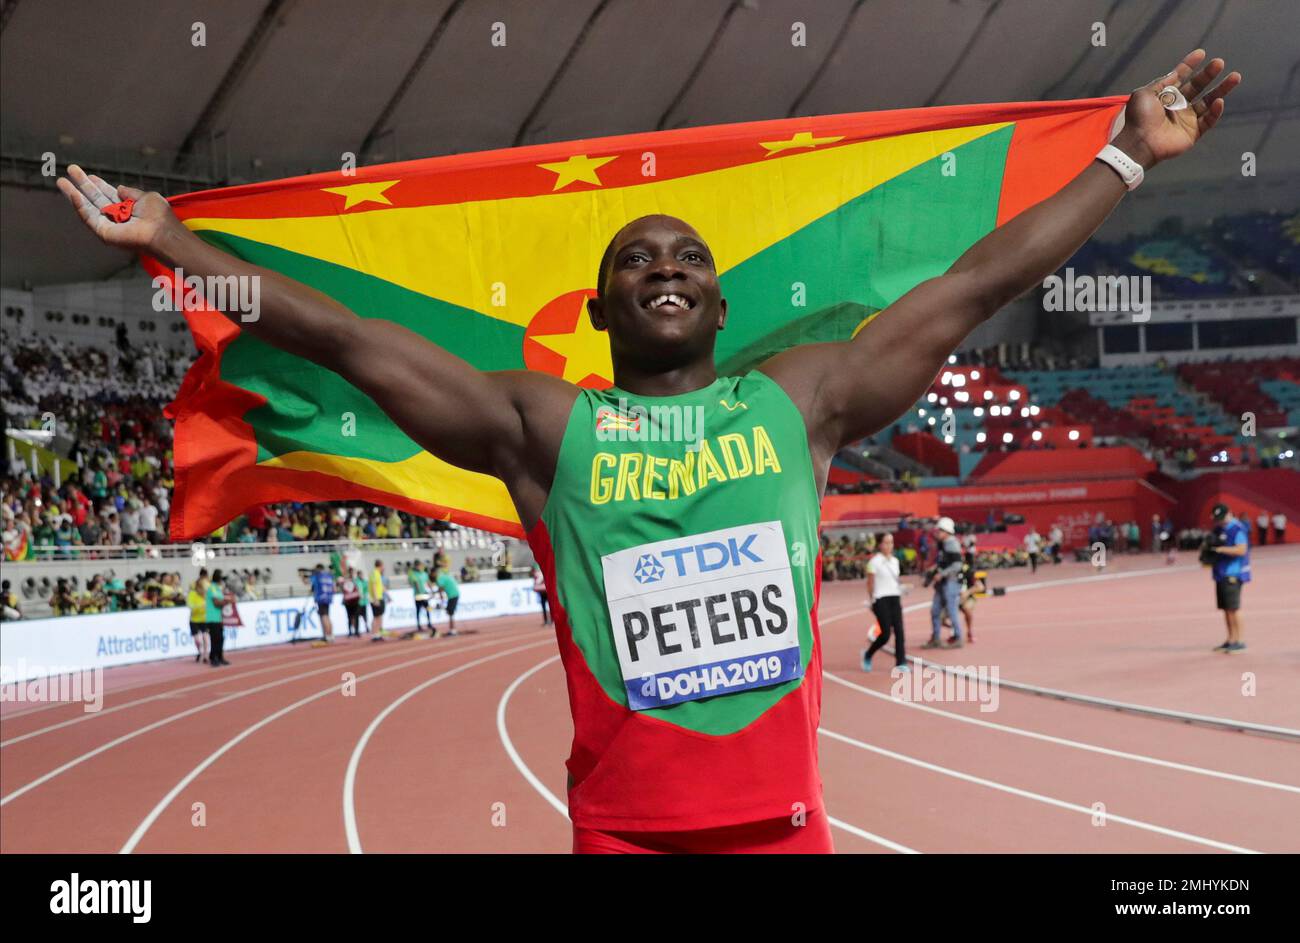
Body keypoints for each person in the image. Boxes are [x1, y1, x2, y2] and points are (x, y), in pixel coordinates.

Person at [58, 49, 1239, 852]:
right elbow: (350, 340)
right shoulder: (545, 428)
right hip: (622, 834)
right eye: (638, 258)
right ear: (600, 308)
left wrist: (1126, 157)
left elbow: (981, 279)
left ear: (721, 309)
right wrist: (171, 242)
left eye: (689, 259)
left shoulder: (802, 397)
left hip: (782, 824)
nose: (666, 267)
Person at [1206, 504, 1250, 654]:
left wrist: (1220, 549)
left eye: (1222, 518)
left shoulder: (1238, 529)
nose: (1220, 521)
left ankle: (1240, 641)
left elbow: (1241, 549)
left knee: (1234, 608)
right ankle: (1230, 639)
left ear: (1230, 513)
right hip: (1221, 573)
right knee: (1225, 609)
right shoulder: (1218, 529)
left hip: (1233, 573)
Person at [862, 532, 907, 673]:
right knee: (886, 633)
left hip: (895, 597)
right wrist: (872, 600)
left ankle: (901, 662)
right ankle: (868, 654)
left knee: (899, 631)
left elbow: (894, 580)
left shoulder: (895, 561)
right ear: (880, 544)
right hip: (880, 599)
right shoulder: (874, 562)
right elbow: (870, 583)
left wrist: (902, 588)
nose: (889, 546)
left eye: (891, 542)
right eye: (886, 542)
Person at [926, 518, 966, 649]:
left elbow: (957, 565)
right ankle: (936, 638)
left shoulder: (952, 544)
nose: (938, 533)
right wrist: (935, 568)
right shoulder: (943, 544)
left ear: (947, 531)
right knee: (935, 610)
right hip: (943, 582)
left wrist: (942, 573)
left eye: (940, 530)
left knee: (951, 609)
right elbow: (945, 562)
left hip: (951, 581)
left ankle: (958, 637)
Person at [206, 568, 229, 666]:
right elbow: (216, 602)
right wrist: (227, 602)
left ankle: (219, 656)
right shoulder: (212, 588)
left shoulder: (218, 588)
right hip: (212, 617)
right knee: (215, 638)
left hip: (218, 617)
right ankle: (214, 657)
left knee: (220, 638)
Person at [187, 571, 211, 663]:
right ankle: (199, 652)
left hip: (204, 620)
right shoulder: (192, 594)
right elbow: (190, 605)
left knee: (206, 638)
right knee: (198, 641)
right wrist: (199, 606)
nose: (203, 590)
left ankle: (205, 655)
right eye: (201, 588)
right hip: (194, 620)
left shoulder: (206, 595)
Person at [309, 563, 335, 643]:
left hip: (321, 598)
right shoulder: (328, 575)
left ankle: (326, 635)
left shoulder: (317, 576)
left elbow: (309, 583)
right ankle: (330, 635)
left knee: (324, 617)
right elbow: (333, 588)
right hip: (328, 598)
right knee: (327, 616)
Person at [434, 567, 461, 636]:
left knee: (450, 612)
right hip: (454, 594)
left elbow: (441, 588)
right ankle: (452, 629)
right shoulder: (444, 576)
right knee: (449, 612)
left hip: (452, 595)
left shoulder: (439, 578)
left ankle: (453, 630)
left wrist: (440, 596)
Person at [409, 560, 433, 632]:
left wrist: (431, 591)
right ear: (416, 566)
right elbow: (416, 584)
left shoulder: (424, 574)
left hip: (424, 593)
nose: (420, 567)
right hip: (418, 594)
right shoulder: (413, 574)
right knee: (418, 610)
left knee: (428, 608)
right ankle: (419, 625)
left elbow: (428, 582)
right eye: (419, 565)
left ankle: (429, 623)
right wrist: (420, 593)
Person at [368, 560, 389, 641]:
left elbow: (380, 586)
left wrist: (387, 595)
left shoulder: (377, 574)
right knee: (376, 617)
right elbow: (373, 586)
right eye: (383, 566)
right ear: (380, 565)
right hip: (376, 598)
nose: (384, 568)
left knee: (379, 616)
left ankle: (378, 633)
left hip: (379, 597)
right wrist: (376, 599)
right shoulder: (374, 573)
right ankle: (374, 634)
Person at [340, 567, 363, 637]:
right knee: (352, 616)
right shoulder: (351, 580)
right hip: (351, 601)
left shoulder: (353, 580)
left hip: (352, 601)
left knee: (352, 616)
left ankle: (354, 631)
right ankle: (353, 631)